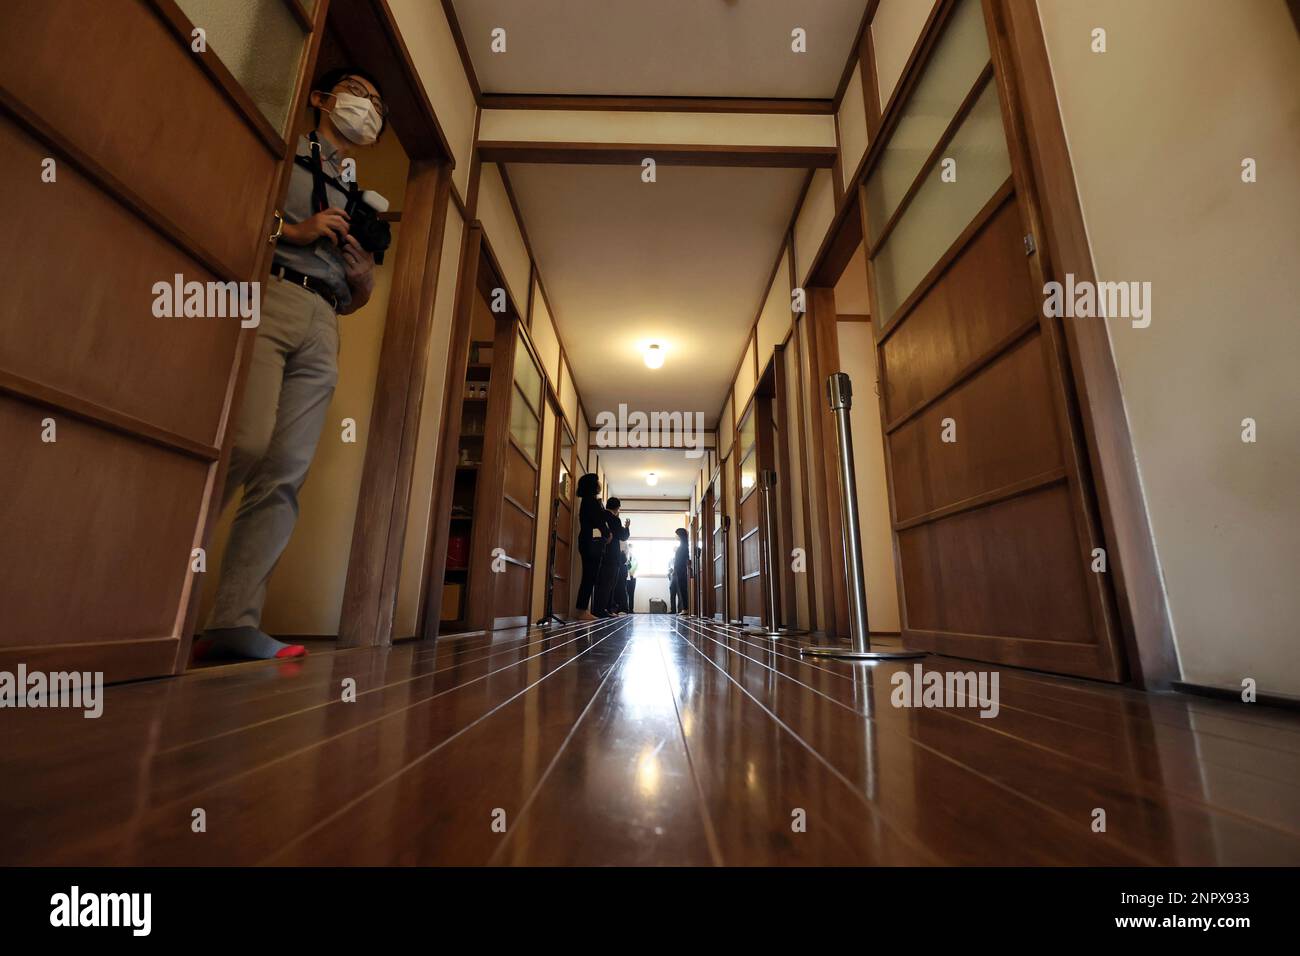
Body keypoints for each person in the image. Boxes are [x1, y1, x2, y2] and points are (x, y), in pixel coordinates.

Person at [195, 68, 386, 661]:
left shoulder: (359, 192)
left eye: (377, 103)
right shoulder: (280, 153)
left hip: (326, 318)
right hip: (270, 296)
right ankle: (160, 602)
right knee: (243, 445)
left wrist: (362, 280)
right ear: (320, 98)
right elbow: (231, 215)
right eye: (358, 91)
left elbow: (360, 297)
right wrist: (294, 229)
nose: (369, 107)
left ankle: (232, 622)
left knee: (286, 469)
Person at [574, 473, 606, 621]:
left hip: (587, 541)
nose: (599, 484)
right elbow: (599, 521)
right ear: (593, 485)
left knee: (589, 576)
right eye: (597, 482)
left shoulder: (588, 501)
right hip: (590, 542)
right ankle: (581, 611)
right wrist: (607, 534)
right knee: (589, 576)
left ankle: (582, 610)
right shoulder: (590, 501)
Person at [593, 498, 628, 617]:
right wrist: (627, 527)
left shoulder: (600, 514)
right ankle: (604, 609)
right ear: (617, 507)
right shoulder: (614, 519)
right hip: (612, 555)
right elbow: (623, 536)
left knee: (601, 583)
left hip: (598, 552)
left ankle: (600, 609)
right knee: (609, 583)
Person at [671, 528, 692, 615]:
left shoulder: (683, 546)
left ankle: (685, 608)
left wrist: (676, 569)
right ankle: (685, 608)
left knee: (683, 589)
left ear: (680, 535)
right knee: (682, 589)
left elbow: (683, 560)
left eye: (677, 534)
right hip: (679, 570)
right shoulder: (683, 545)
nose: (675, 536)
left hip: (681, 570)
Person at [625, 548, 638, 614]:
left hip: (633, 577)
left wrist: (631, 572)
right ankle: (625, 609)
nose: (630, 550)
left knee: (631, 594)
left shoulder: (634, 558)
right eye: (628, 549)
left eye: (631, 549)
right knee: (625, 593)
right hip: (626, 577)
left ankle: (631, 609)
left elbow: (636, 566)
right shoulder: (625, 557)